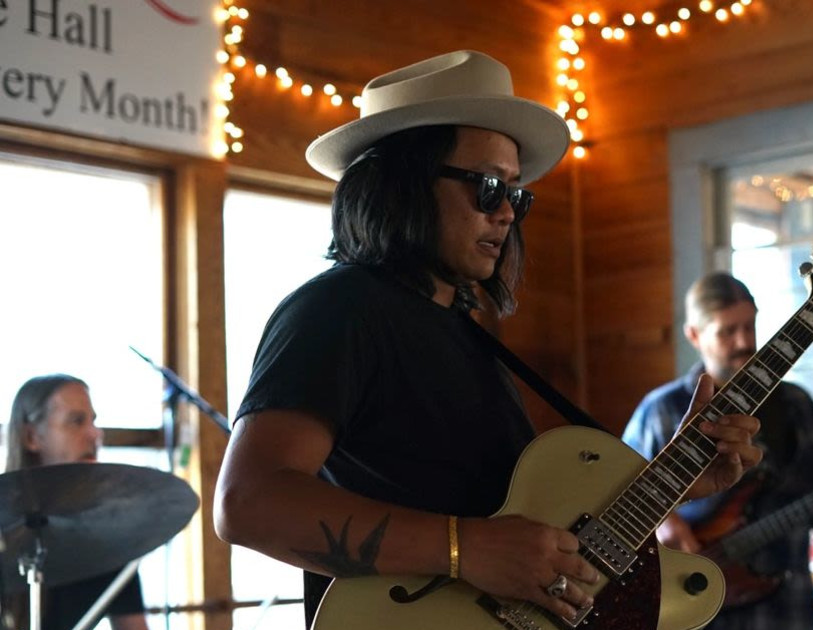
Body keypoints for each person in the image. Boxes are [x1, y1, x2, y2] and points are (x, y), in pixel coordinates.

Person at [213, 50, 763, 628]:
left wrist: (676, 481)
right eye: (486, 187)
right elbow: (248, 503)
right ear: (404, 182)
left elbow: (515, 535)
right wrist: (465, 549)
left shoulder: (460, 327)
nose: (506, 213)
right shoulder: (338, 308)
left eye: (516, 194)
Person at [622, 272, 813, 630]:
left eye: (750, 326)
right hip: (692, 612)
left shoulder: (796, 405)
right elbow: (614, 502)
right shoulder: (661, 411)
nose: (744, 341)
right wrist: (662, 522)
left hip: (788, 612)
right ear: (694, 335)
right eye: (727, 331)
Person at [4, 374, 150, 630]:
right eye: (76, 421)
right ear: (32, 437)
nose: (95, 434)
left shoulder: (110, 542)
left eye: (94, 421)